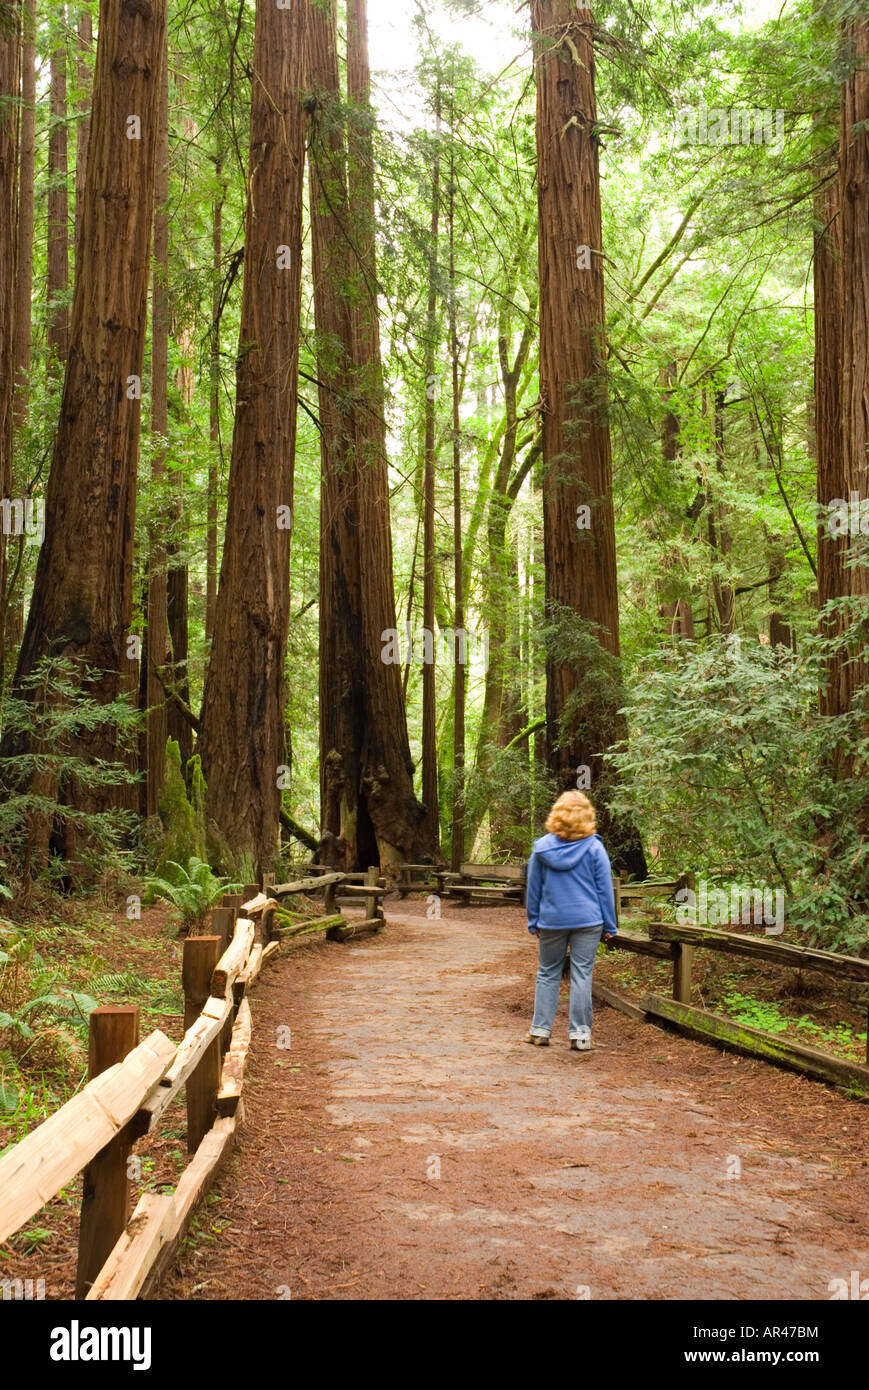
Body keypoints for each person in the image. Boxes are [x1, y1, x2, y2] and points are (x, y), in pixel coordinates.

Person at [525, 790, 618, 1051]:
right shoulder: (594, 848)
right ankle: (580, 1035)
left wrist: (533, 920)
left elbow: (534, 888)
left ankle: (540, 1030)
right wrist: (610, 926)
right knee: (581, 974)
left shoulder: (541, 848)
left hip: (552, 920)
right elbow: (604, 890)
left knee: (547, 972)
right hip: (588, 920)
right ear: (587, 817)